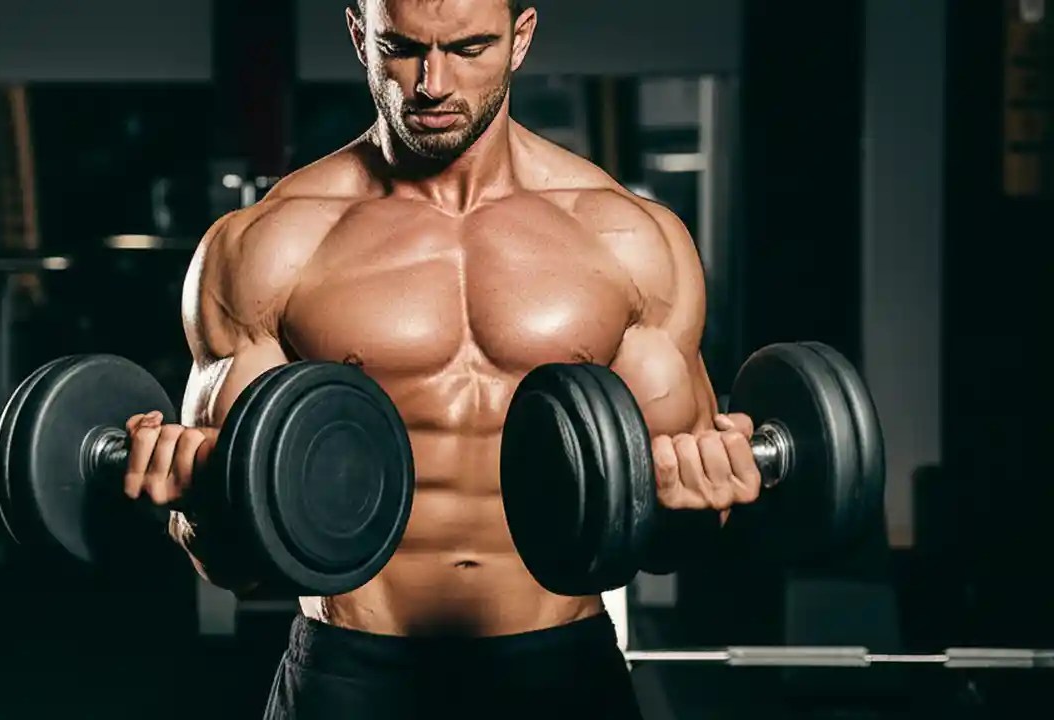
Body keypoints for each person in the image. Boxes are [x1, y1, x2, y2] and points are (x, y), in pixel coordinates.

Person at [122, 1, 762, 717]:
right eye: (402, 48)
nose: (431, 82)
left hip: (556, 664)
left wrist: (705, 492)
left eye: (468, 47)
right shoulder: (271, 244)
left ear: (520, 40)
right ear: (359, 32)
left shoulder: (626, 237)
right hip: (356, 668)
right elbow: (231, 566)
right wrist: (194, 503)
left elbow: (670, 540)